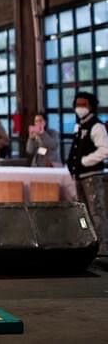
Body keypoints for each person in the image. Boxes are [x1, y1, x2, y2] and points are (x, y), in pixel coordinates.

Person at [66, 92, 108, 256]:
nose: (80, 108)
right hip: (79, 176)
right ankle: (88, 243)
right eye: (77, 104)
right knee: (83, 212)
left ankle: (103, 247)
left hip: (92, 175)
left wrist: (84, 162)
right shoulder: (80, 125)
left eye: (83, 105)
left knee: (96, 211)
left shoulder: (96, 125)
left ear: (91, 106)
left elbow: (105, 150)